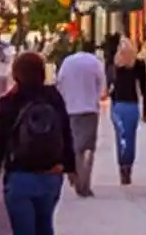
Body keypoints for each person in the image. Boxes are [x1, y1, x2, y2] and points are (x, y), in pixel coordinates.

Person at [0, 51, 75, 235]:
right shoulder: (53, 96)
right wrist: (69, 166)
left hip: (20, 174)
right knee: (45, 225)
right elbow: (65, 130)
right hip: (51, 174)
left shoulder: (10, 102)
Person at [55, 44, 106, 197]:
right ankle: (85, 182)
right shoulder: (96, 63)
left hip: (71, 108)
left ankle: (76, 177)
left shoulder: (67, 62)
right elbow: (102, 86)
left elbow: (60, 82)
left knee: (75, 146)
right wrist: (96, 98)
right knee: (89, 148)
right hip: (90, 109)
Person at [109, 36, 146, 185]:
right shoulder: (138, 64)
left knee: (120, 138)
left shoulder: (115, 64)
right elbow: (144, 88)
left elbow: (111, 87)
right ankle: (128, 166)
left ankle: (122, 166)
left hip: (118, 105)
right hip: (132, 104)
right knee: (130, 137)